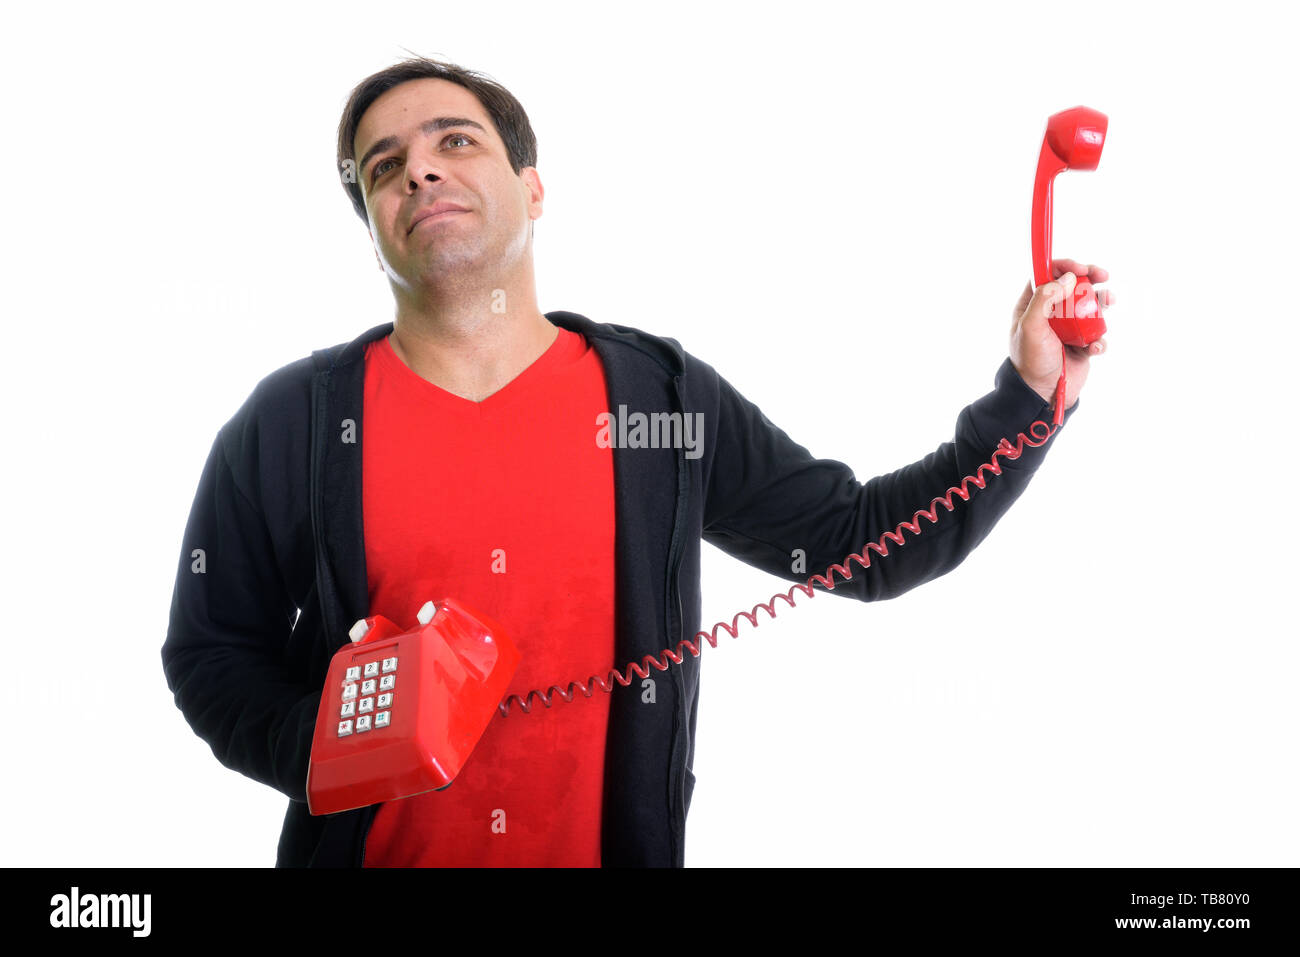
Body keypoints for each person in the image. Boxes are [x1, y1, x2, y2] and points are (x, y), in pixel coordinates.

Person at [162, 55, 1112, 867]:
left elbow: (863, 542)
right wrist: (330, 745)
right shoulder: (293, 422)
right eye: (384, 167)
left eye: (455, 141)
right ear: (371, 231)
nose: (418, 172)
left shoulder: (658, 400)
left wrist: (1027, 401)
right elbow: (210, 657)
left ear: (532, 188)